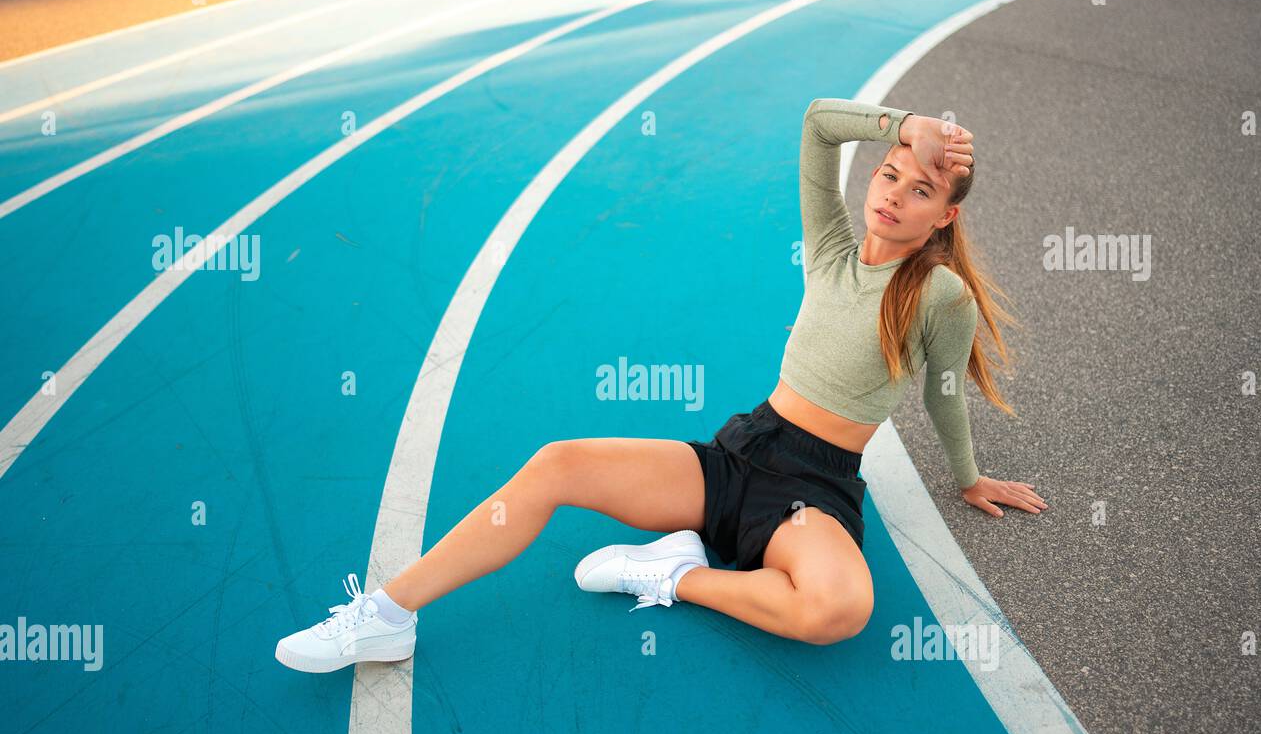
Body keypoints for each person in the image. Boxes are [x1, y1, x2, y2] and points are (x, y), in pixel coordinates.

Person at [275, 96, 1046, 673]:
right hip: (742, 451)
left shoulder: (940, 295)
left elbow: (944, 391)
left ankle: (679, 574)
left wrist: (970, 478)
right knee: (556, 464)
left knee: (841, 609)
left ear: (944, 218)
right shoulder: (832, 246)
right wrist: (903, 124)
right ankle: (386, 613)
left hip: (814, 489)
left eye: (919, 191)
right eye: (890, 174)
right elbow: (817, 124)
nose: (893, 193)